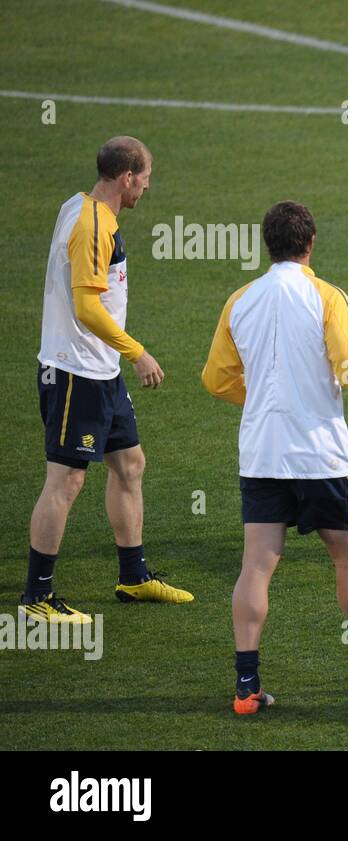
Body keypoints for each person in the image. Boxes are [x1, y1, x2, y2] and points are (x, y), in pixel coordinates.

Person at [202, 201, 348, 714]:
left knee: (256, 567)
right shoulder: (326, 296)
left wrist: (269, 397)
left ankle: (246, 687)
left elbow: (215, 379)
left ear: (269, 245)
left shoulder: (240, 300)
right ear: (310, 244)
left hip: (261, 454)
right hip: (321, 457)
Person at [24, 136, 192, 625]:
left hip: (99, 370)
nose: (148, 185)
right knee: (66, 479)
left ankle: (134, 577)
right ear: (126, 178)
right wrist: (136, 352)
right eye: (145, 176)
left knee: (130, 465)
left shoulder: (79, 206)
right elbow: (85, 306)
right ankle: (36, 596)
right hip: (76, 370)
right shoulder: (93, 225)